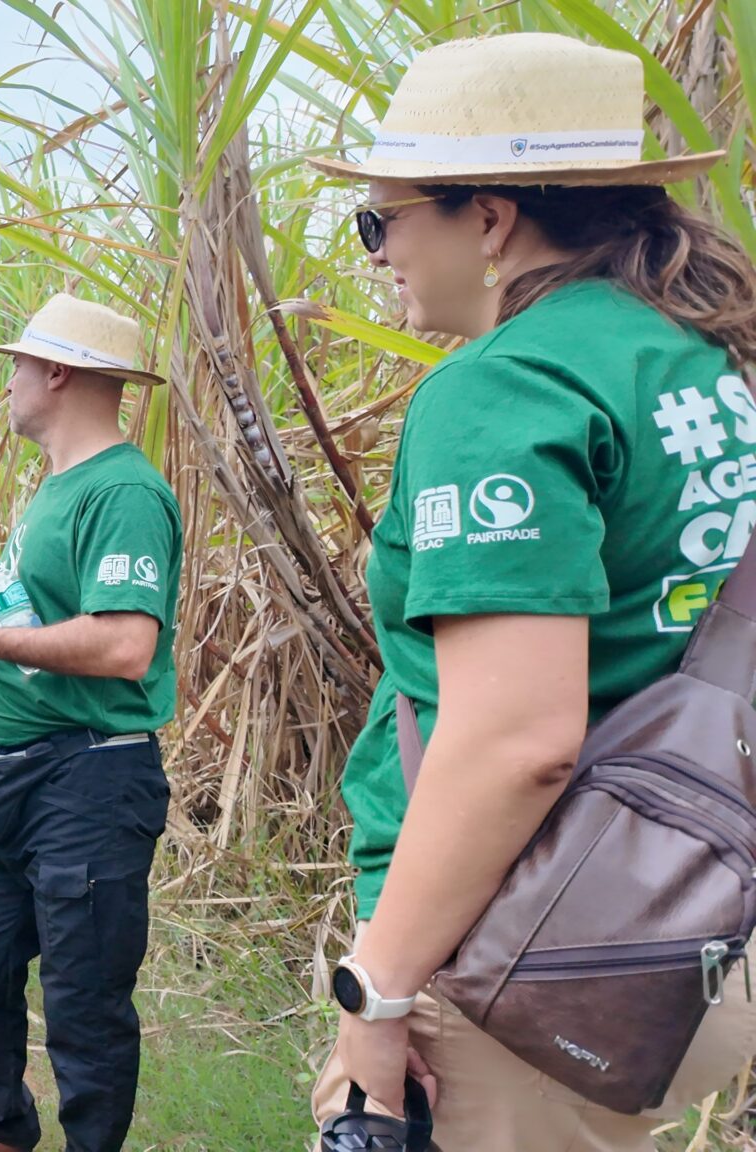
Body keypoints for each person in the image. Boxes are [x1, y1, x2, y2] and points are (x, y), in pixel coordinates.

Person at [304, 32, 756, 1149]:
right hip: (681, 917)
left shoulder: (503, 390)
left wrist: (380, 988)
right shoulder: (699, 359)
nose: (373, 255)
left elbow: (518, 740)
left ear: (489, 217)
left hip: (527, 935)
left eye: (380, 219)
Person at [0, 294, 180, 1152]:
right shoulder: (55, 490)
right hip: (10, 782)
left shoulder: (124, 490)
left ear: (57, 373)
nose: (9, 382)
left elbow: (128, 643)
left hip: (89, 781)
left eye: (18, 365)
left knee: (84, 1001)